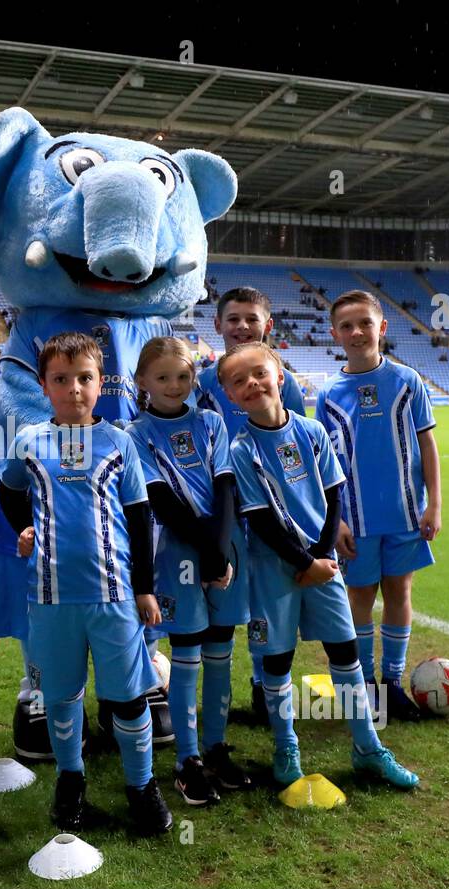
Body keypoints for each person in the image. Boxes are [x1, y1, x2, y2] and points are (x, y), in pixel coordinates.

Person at [219, 340, 420, 789]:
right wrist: (304, 562)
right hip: (275, 570)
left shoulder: (310, 432)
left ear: (280, 377)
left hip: (323, 564)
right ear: (231, 396)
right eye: (238, 381)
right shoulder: (241, 450)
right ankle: (286, 746)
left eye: (259, 373)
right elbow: (260, 519)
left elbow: (334, 496)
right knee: (277, 658)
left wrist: (323, 556)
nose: (251, 383)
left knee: (344, 652)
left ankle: (367, 746)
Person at [0, 332, 172, 836]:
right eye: (61, 379)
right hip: (51, 598)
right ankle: (70, 784)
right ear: (44, 386)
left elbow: (139, 519)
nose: (74, 388)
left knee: (129, 697)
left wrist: (143, 588)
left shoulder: (119, 441)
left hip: (114, 595)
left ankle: (142, 787)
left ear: (101, 383)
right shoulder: (29, 441)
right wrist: (25, 528)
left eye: (85, 378)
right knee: (61, 695)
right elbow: (9, 494)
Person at [127, 337, 250, 807]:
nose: (173, 385)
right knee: (187, 653)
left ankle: (216, 748)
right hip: (178, 552)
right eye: (162, 377)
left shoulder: (212, 422)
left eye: (182, 376)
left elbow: (224, 487)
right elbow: (161, 501)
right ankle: (187, 760)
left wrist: (220, 553)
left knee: (222, 650)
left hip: (225, 543)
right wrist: (207, 555)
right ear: (142, 381)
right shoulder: (136, 433)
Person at [320, 290, 441, 723]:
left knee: (399, 591)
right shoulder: (330, 394)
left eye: (365, 323)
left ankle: (390, 682)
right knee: (359, 598)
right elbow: (326, 464)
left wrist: (435, 505)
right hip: (356, 521)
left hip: (407, 513)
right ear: (335, 334)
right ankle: (364, 684)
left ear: (381, 328)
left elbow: (427, 445)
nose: (357, 332)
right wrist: (336, 522)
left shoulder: (408, 381)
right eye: (347, 326)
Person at [192, 286, 305, 725]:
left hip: (270, 518)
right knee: (220, 608)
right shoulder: (200, 385)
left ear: (268, 326)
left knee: (268, 606)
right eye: (233, 318)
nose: (242, 326)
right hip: (219, 519)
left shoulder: (285, 383)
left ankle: (265, 685)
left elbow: (294, 446)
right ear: (217, 325)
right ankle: (214, 694)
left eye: (251, 318)